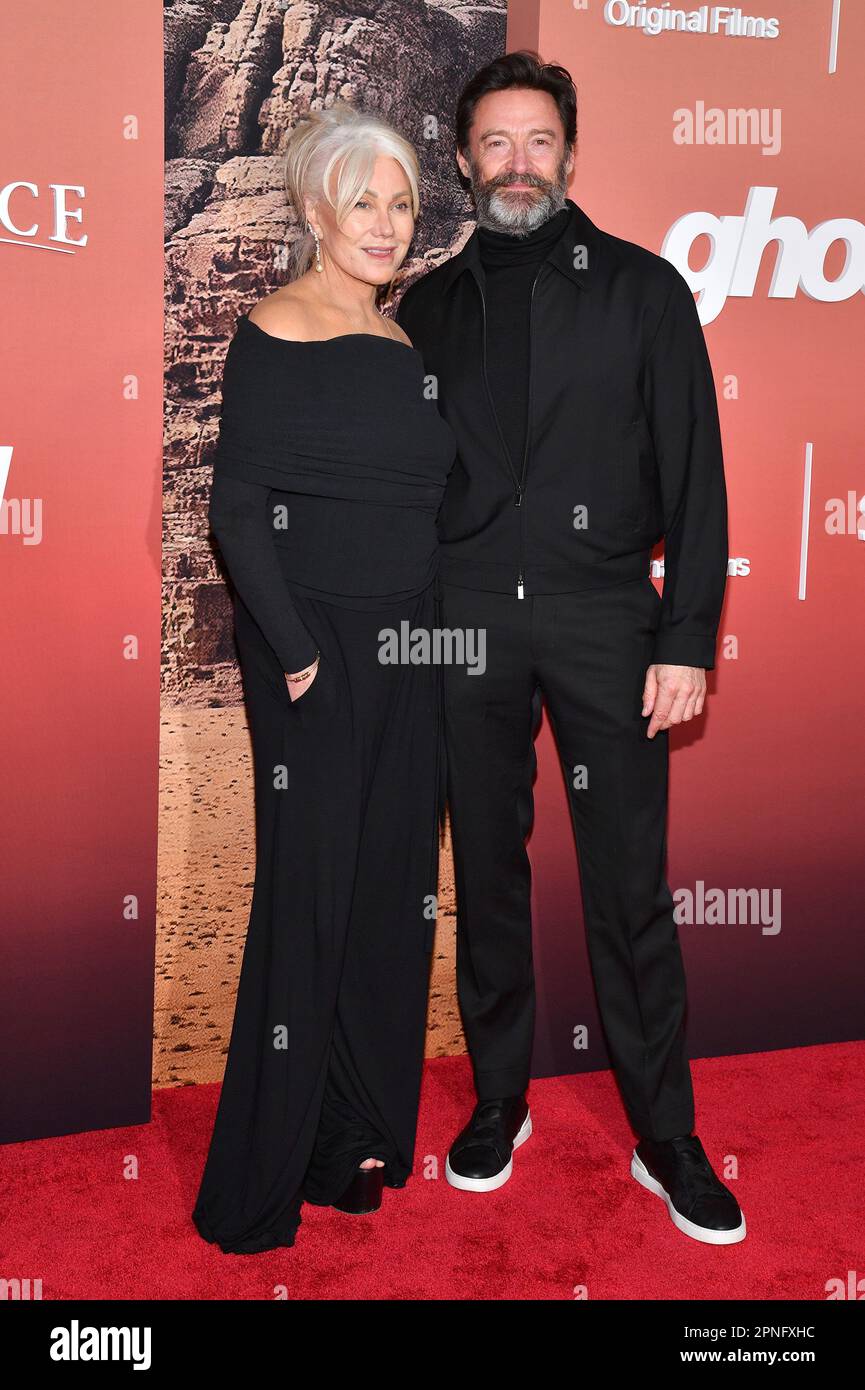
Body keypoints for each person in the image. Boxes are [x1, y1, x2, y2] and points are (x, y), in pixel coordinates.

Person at [397, 51, 745, 1244]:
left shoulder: (646, 293)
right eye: (494, 143)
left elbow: (697, 479)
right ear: (461, 160)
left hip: (607, 619)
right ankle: (500, 1100)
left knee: (628, 891)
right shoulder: (425, 310)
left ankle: (666, 1137)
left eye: (538, 141)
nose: (517, 164)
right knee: (485, 874)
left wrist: (686, 634)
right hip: (464, 620)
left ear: (570, 155)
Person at [192, 100, 455, 1254]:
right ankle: (260, 1175)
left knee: (392, 897)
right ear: (314, 209)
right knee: (310, 902)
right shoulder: (272, 328)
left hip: (414, 649)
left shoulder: (404, 341)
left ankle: (349, 1130)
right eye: (365, 202)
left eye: (401, 203)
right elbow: (238, 514)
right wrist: (297, 656)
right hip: (320, 656)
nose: (388, 224)